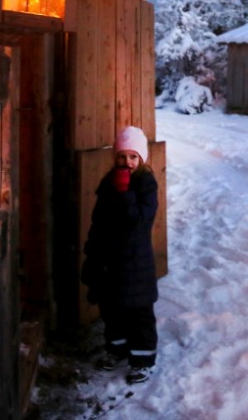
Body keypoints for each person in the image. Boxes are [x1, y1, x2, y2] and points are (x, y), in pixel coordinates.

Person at [81, 126, 159, 384]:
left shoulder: (146, 184)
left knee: (138, 313)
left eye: (133, 156)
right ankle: (117, 349)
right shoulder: (108, 182)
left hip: (135, 263)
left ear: (142, 159)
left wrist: (125, 192)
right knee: (111, 309)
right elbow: (99, 221)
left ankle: (142, 359)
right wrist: (92, 253)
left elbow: (137, 220)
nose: (127, 162)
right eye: (122, 156)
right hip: (109, 260)